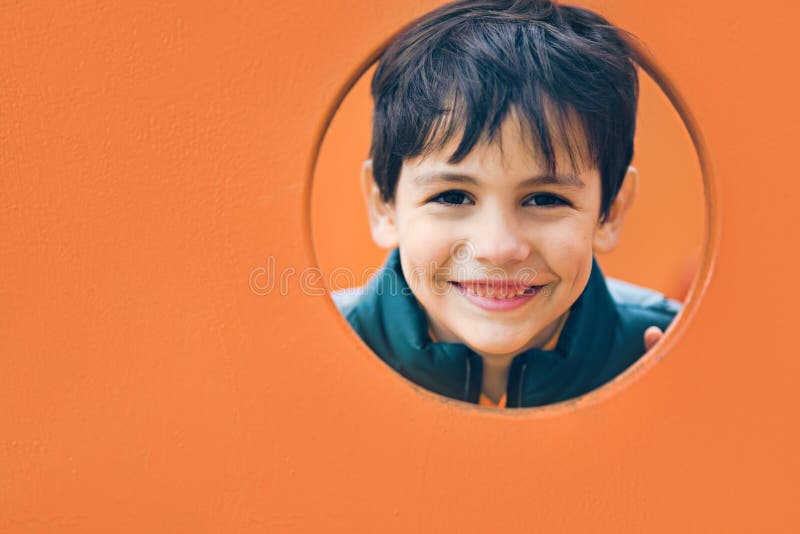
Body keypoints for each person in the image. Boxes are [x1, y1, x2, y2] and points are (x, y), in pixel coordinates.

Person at [332, 0, 681, 408]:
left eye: (544, 199)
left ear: (611, 211)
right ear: (384, 206)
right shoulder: (314, 352)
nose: (497, 248)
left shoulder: (668, 350)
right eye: (452, 196)